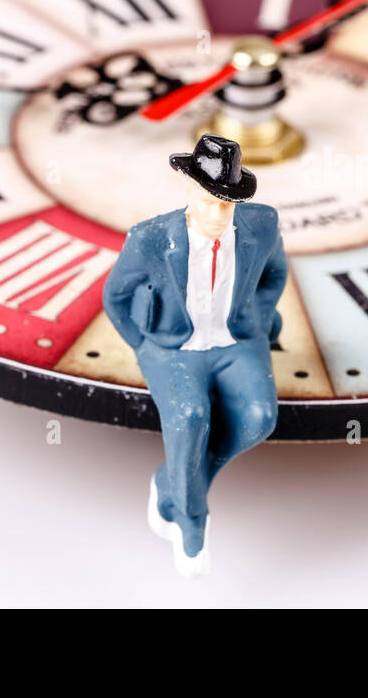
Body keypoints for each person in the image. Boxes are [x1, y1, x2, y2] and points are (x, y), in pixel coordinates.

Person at [103, 134, 287, 577]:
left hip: (235, 340)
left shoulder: (261, 225)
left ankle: (175, 481)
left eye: (226, 204)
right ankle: (191, 518)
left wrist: (257, 321)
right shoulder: (149, 238)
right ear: (188, 190)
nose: (216, 214)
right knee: (189, 418)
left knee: (261, 417)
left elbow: (275, 274)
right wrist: (144, 344)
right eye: (208, 201)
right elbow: (115, 296)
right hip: (173, 348)